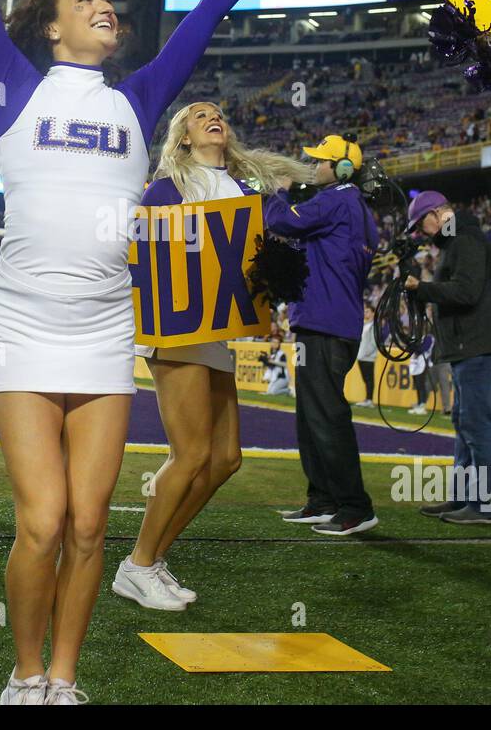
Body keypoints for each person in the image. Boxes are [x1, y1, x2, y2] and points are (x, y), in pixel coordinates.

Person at [0, 0, 268, 704]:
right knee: (41, 521)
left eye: (109, 0)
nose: (105, 6)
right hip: (22, 328)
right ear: (50, 27)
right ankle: (24, 671)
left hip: (105, 333)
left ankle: (66, 678)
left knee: (86, 525)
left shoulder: (138, 100)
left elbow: (204, 18)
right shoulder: (14, 86)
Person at [113, 102, 310, 610]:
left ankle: (150, 559)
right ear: (182, 137)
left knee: (225, 458)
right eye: (199, 116)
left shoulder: (249, 194)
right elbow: (139, 256)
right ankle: (136, 564)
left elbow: (255, 259)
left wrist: (274, 272)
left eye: (217, 113)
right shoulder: (167, 189)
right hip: (177, 331)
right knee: (192, 454)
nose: (212, 117)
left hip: (216, 335)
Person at [268, 134, 381, 536]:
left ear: (343, 168)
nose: (313, 166)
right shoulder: (355, 207)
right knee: (311, 415)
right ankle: (323, 499)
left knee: (327, 417)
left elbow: (284, 221)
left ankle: (355, 506)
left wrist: (274, 193)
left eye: (321, 161)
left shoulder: (339, 199)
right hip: (324, 322)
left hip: (325, 324)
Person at [405, 192, 491, 524]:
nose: (422, 231)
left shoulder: (466, 239)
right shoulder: (462, 239)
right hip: (471, 345)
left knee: (475, 422)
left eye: (422, 222)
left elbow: (466, 292)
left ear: (438, 214)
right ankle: (461, 498)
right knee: (464, 420)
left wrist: (422, 288)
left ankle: (482, 506)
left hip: (477, 345)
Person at [355, 303, 378, 406]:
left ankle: (369, 400)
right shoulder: (364, 325)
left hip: (368, 357)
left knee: (369, 379)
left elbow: (374, 343)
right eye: (365, 311)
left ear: (373, 313)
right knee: (366, 379)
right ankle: (367, 399)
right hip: (361, 357)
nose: (365, 313)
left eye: (368, 311)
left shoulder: (373, 326)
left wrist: (365, 353)